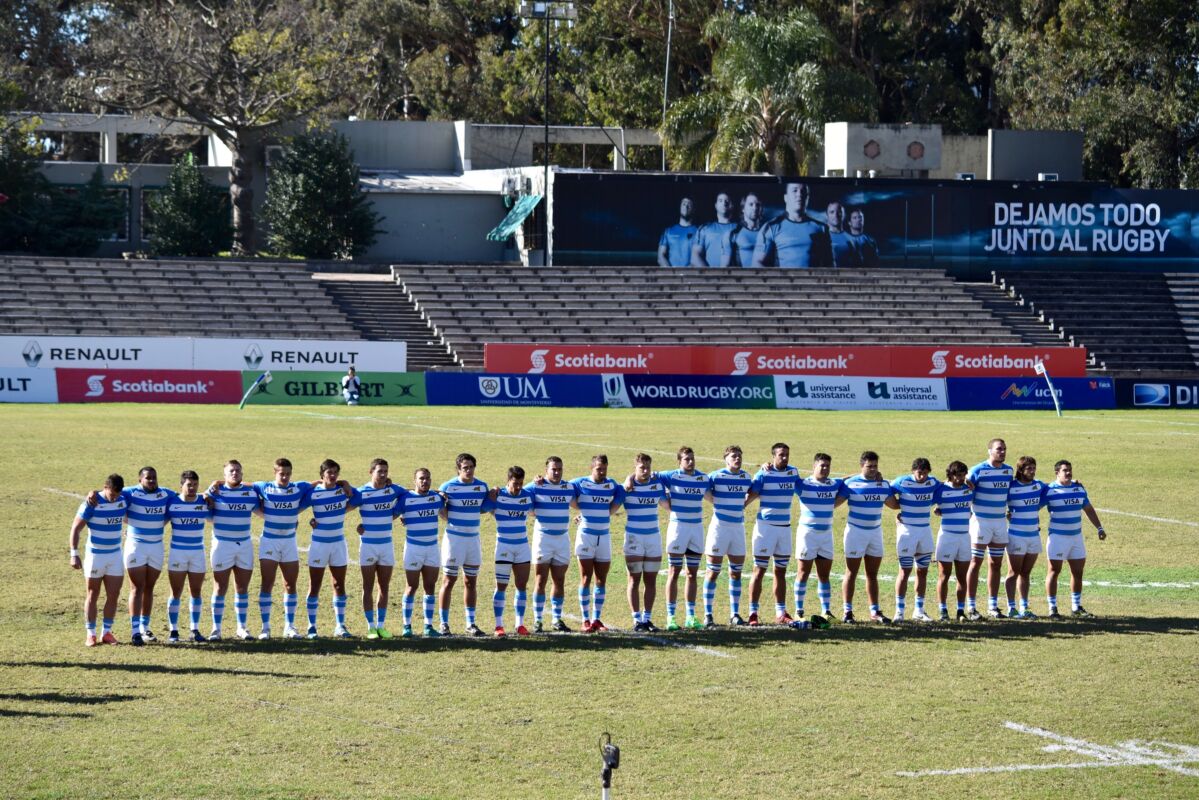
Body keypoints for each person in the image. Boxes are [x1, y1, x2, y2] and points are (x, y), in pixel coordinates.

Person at [253, 457, 314, 640]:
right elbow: (243, 485)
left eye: (288, 474)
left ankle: (289, 626)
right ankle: (265, 628)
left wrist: (343, 482)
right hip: (269, 542)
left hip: (289, 542)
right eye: (281, 474)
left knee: (290, 584)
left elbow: (320, 482)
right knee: (267, 583)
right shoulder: (264, 487)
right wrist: (217, 483)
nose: (285, 477)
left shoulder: (298, 487)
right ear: (275, 473)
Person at [1041, 460, 1107, 619]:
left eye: (1070, 470)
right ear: (1057, 473)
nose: (1069, 473)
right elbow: (1033, 507)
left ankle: (1076, 607)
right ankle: (1052, 609)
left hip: (1076, 538)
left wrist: (1099, 527)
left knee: (1077, 572)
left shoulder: (1079, 489)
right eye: (1065, 470)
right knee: (1054, 571)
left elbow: (1088, 509)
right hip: (1057, 538)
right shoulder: (1049, 490)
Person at [835, 451, 895, 624]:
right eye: (869, 466)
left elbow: (894, 505)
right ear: (861, 466)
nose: (873, 469)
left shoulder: (882, 484)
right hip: (855, 532)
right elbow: (835, 502)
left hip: (875, 532)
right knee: (851, 572)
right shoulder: (851, 483)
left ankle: (874, 611)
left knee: (872, 574)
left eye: (875, 466)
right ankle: (847, 611)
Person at [304, 459, 361, 638]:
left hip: (338, 543)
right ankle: (311, 626)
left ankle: (340, 626)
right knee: (315, 585)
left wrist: (346, 484)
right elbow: (297, 503)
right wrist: (311, 521)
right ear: (322, 475)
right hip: (319, 544)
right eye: (329, 472)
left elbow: (359, 498)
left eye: (336, 472)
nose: (333, 475)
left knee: (338, 584)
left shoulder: (342, 490)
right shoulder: (313, 493)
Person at [70, 474, 128, 646]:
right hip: (95, 556)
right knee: (92, 594)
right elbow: (76, 528)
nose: (115, 498)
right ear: (105, 487)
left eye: (118, 495)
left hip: (115, 555)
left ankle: (107, 632)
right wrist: (74, 553)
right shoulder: (92, 503)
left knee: (114, 594)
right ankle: (91, 633)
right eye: (112, 494)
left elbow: (139, 491)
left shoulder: (123, 499)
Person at [205, 460, 260, 641]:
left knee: (242, 588)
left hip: (244, 545)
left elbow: (265, 493)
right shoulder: (215, 492)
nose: (235, 473)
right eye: (231, 471)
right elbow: (198, 497)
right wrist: (215, 485)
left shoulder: (250, 493)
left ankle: (242, 628)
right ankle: (216, 629)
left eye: (237, 471)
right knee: (220, 587)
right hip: (222, 545)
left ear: (242, 474)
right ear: (224, 475)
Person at [744, 443, 798, 625]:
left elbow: (812, 484)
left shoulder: (793, 473)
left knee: (781, 571)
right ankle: (753, 612)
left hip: (784, 528)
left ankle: (781, 612)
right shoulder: (764, 473)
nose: (785, 458)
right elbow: (750, 495)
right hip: (765, 527)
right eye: (781, 455)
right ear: (773, 456)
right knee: (759, 570)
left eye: (787, 455)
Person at [570, 454, 625, 633]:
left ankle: (596, 619)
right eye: (598, 469)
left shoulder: (612, 485)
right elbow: (561, 489)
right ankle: (585, 619)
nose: (601, 472)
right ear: (591, 468)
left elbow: (622, 492)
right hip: (585, 536)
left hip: (604, 537)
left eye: (604, 469)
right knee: (586, 578)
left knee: (601, 580)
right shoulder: (579, 483)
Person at [438, 453, 490, 636]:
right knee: (449, 580)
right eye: (465, 467)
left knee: (471, 581)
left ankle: (471, 623)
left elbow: (483, 507)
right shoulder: (448, 486)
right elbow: (442, 513)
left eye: (471, 467)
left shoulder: (482, 486)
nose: (468, 470)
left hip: (473, 540)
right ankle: (443, 623)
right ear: (458, 469)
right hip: (454, 540)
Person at [660, 446, 710, 631]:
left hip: (696, 528)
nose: (690, 461)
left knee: (692, 573)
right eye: (686, 459)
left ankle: (690, 615)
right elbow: (648, 477)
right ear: (679, 461)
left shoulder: (703, 478)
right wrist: (629, 479)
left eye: (692, 458)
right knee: (673, 572)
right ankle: (671, 617)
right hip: (678, 528)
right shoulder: (670, 476)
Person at [703, 446, 753, 627]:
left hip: (738, 529)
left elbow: (754, 491)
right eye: (734, 456)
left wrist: (743, 504)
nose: (737, 459)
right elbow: (701, 487)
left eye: (740, 456)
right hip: (719, 528)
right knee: (713, 571)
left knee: (736, 572)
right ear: (726, 459)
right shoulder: (716, 476)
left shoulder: (746, 477)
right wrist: (714, 501)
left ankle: (735, 614)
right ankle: (708, 615)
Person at [965, 438, 1014, 620]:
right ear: (989, 451)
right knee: (975, 563)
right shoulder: (978, 470)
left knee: (995, 564)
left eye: (1004, 449)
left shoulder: (1008, 471)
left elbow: (1010, 493)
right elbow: (961, 483)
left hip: (1000, 523)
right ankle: (971, 606)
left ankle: (992, 606)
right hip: (980, 522)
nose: (1002, 452)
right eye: (999, 449)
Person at [356, 458, 404, 639]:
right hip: (368, 545)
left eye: (386, 471)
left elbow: (408, 494)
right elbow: (345, 505)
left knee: (384, 587)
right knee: (367, 587)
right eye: (379, 471)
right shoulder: (362, 492)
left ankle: (381, 626)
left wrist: (397, 514)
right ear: (371, 473)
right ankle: (370, 627)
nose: (383, 475)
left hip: (386, 545)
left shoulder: (392, 489)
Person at [887, 458, 939, 623]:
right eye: (919, 473)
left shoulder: (932, 482)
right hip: (907, 531)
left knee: (922, 571)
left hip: (924, 530)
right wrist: (896, 507)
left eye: (925, 473)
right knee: (904, 571)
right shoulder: (902, 481)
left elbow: (946, 487)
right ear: (913, 471)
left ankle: (919, 610)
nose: (922, 476)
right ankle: (899, 612)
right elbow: (886, 490)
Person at [621, 454, 668, 632]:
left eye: (648, 467)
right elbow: (609, 505)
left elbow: (668, 505)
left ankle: (647, 618)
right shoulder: (626, 488)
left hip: (653, 537)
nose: (646, 471)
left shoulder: (657, 485)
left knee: (651, 579)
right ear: (635, 467)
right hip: (633, 537)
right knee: (634, 578)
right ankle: (636, 619)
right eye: (642, 467)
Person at [487, 465, 535, 637]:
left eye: (521, 483)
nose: (518, 487)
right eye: (515, 483)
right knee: (501, 586)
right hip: (504, 547)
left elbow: (536, 497)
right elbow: (483, 507)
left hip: (522, 547)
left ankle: (519, 624)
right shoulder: (498, 496)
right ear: (508, 481)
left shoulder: (527, 496)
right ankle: (498, 625)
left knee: (522, 586)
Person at [530, 456, 576, 633]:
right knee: (540, 579)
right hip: (543, 539)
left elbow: (581, 501)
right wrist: (533, 481)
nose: (556, 472)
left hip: (562, 539)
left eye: (559, 469)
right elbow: (519, 492)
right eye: (553, 469)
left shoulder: (568, 487)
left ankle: (557, 619)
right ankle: (538, 620)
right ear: (546, 470)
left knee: (559, 580)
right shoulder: (537, 486)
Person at [793, 453, 841, 623]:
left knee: (824, 575)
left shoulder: (834, 484)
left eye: (828, 466)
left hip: (826, 534)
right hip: (808, 534)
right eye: (822, 466)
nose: (825, 469)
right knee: (803, 572)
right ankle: (798, 611)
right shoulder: (803, 484)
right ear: (814, 467)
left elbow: (847, 480)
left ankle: (826, 610)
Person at [165, 470, 211, 643]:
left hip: (197, 553)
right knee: (176, 592)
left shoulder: (204, 501)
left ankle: (194, 629)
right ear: (181, 485)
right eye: (188, 485)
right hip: (177, 553)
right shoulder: (172, 503)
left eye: (195, 485)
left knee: (196, 591)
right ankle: (173, 631)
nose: (192, 488)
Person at [397, 467, 444, 637]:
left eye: (427, 478)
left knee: (430, 587)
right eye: (421, 478)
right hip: (413, 548)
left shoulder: (437, 498)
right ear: (414, 481)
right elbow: (392, 514)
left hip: (432, 548)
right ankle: (407, 626)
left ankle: (428, 626)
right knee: (411, 586)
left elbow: (445, 509)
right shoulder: (406, 498)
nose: (425, 481)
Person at [752, 182, 830, 268]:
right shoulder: (770, 228)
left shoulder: (821, 228)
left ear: (807, 197)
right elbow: (757, 264)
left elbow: (830, 266)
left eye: (803, 191)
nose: (799, 195)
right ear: (786, 197)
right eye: (795, 190)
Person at [933, 461, 974, 622]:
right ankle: (943, 610)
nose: (961, 478)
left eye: (963, 475)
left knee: (962, 577)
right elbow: (927, 500)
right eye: (958, 475)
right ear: (950, 475)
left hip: (964, 536)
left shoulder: (969, 489)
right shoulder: (942, 490)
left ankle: (960, 610)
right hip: (947, 536)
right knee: (944, 575)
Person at [1005, 456, 1045, 619]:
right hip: (1016, 535)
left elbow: (1056, 489)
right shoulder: (1011, 487)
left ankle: (1024, 607)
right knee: (1013, 572)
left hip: (1034, 535)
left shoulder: (1039, 485)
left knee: (1026, 573)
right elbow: (997, 500)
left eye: (1034, 468)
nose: (1032, 471)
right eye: (1029, 468)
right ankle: (1011, 607)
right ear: (1020, 470)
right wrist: (1005, 514)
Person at [691, 193, 737, 267]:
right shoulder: (704, 228)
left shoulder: (739, 229)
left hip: (733, 277)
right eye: (720, 200)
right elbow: (695, 257)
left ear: (732, 205)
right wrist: (710, 276)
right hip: (709, 276)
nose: (724, 203)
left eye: (727, 200)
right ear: (716, 205)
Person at [657, 197, 697, 267]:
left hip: (692, 276)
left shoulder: (699, 232)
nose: (686, 206)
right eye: (684, 204)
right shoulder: (668, 231)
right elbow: (661, 256)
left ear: (694, 209)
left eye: (689, 204)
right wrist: (672, 274)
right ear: (680, 207)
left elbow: (701, 256)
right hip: (672, 276)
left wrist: (689, 272)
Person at [731, 193, 764, 267]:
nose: (755, 208)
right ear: (743, 208)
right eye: (751, 204)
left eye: (757, 205)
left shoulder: (766, 232)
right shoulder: (735, 233)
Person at [824, 201, 854, 267]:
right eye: (832, 212)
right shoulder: (822, 238)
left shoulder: (851, 239)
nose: (836, 215)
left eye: (839, 212)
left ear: (844, 214)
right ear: (827, 215)